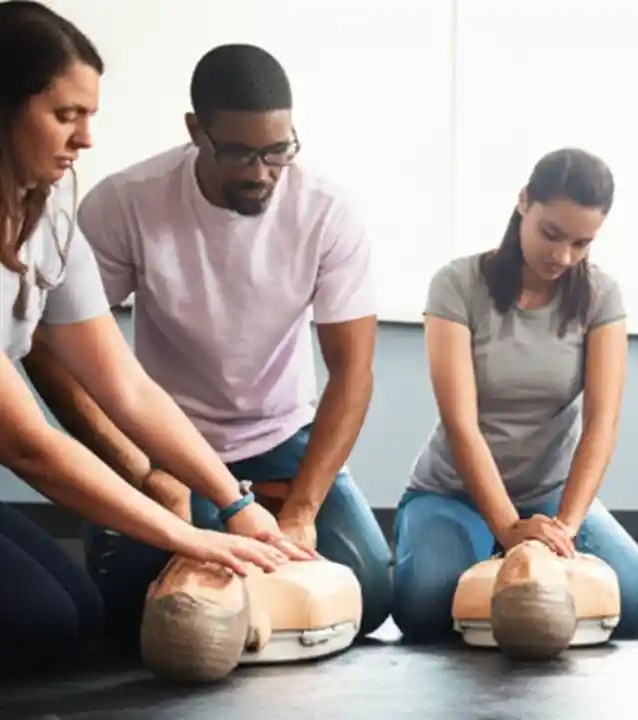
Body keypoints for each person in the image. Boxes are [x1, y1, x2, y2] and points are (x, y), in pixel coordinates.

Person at [21, 42, 392, 644]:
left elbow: (353, 373)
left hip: (282, 437)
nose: (261, 171)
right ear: (196, 131)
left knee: (368, 594)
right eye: (240, 152)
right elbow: (55, 349)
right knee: (130, 605)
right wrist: (141, 469)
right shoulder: (124, 202)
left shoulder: (328, 210)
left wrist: (300, 511)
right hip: (167, 440)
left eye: (278, 151)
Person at [0, 1, 305, 675]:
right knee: (40, 624)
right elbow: (26, 444)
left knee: (78, 615)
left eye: (90, 116)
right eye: (65, 115)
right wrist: (188, 536)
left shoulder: (47, 219)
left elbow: (126, 387)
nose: (85, 139)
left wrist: (234, 503)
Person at [392, 147, 638, 641]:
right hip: (453, 493)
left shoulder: (601, 296)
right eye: (551, 233)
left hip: (549, 497)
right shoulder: (457, 284)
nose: (563, 256)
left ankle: (506, 554)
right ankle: (463, 543)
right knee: (426, 606)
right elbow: (460, 423)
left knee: (637, 598)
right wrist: (509, 529)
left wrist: (563, 529)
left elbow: (601, 424)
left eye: (581, 243)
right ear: (523, 202)